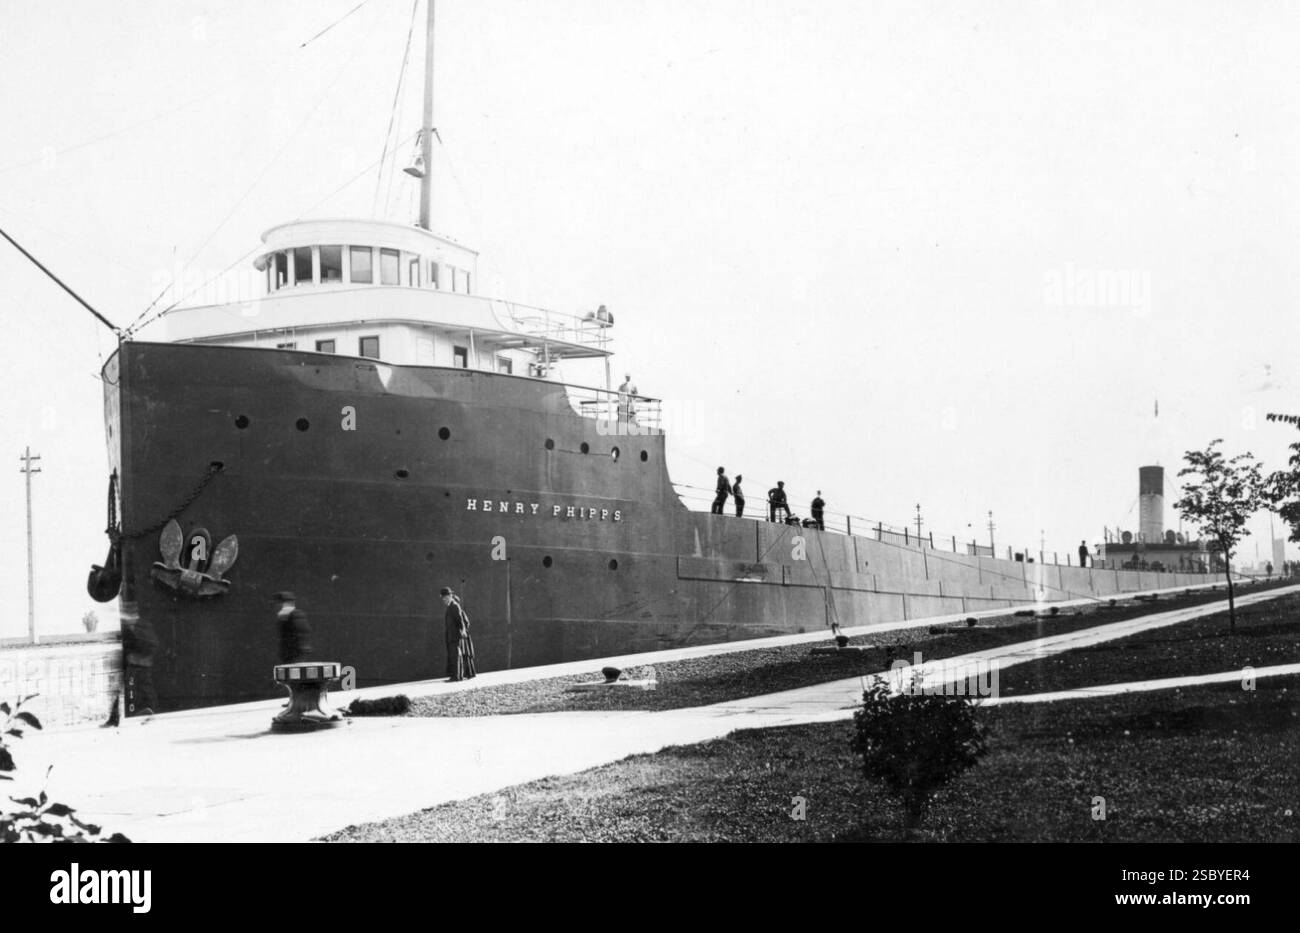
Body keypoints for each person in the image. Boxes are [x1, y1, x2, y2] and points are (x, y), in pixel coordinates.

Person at [440, 587, 477, 681]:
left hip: (455, 635)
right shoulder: (451, 606)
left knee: (455, 655)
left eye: (445, 597)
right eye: (443, 598)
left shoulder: (454, 605)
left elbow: (460, 619)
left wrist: (463, 630)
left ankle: (456, 677)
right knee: (455, 655)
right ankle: (457, 676)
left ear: (450, 596)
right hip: (452, 635)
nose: (444, 600)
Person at [273, 591, 312, 664]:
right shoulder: (284, 616)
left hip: (295, 655)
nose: (279, 605)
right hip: (288, 655)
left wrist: (300, 651)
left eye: (281, 602)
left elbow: (302, 634)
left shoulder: (296, 615)